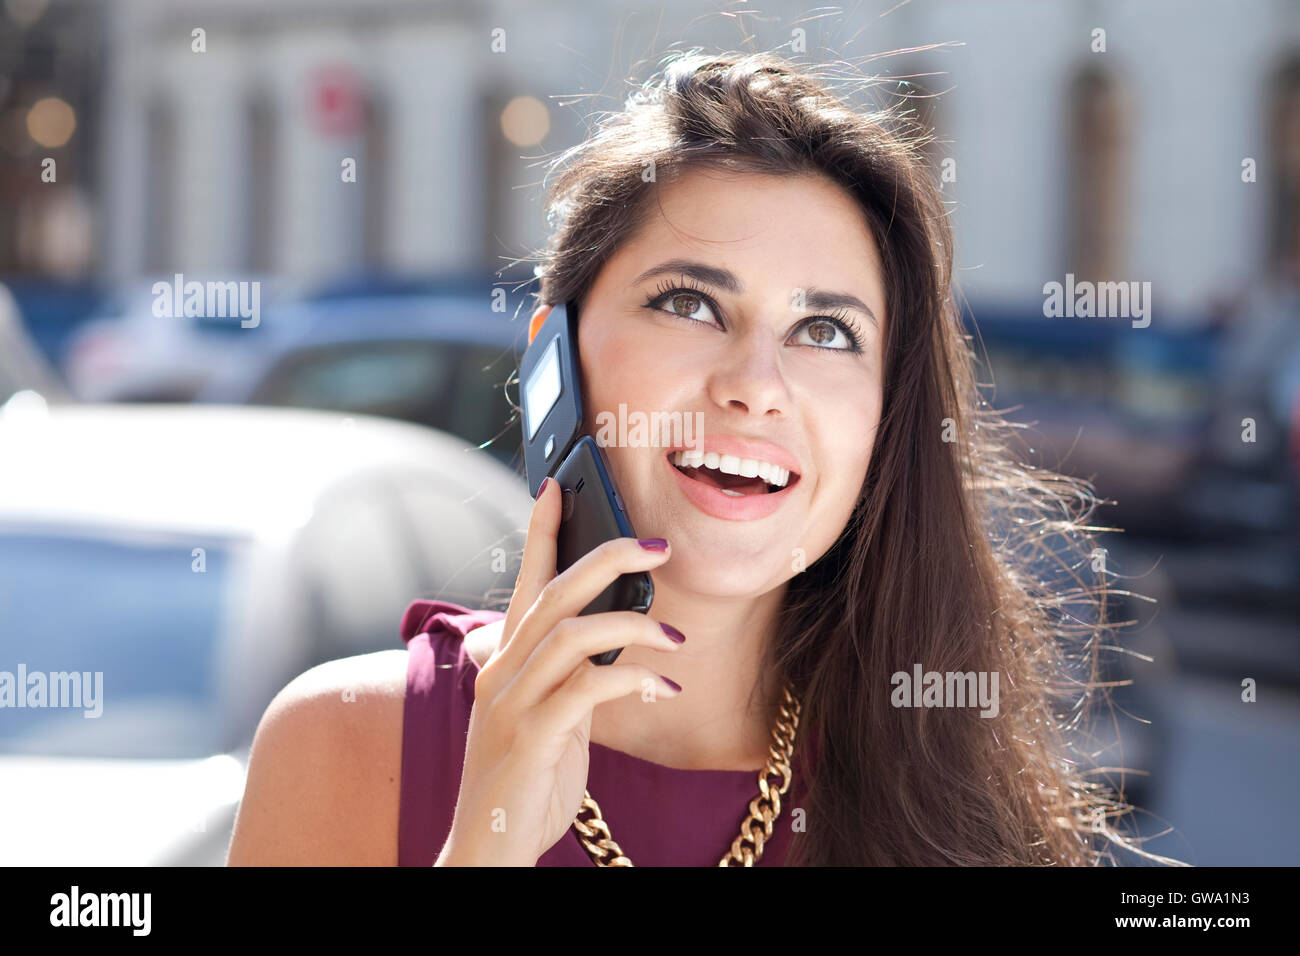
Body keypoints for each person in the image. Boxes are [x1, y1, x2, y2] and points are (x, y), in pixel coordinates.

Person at [228, 50, 1179, 867]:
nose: (756, 383)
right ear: (553, 359)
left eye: (826, 330)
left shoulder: (949, 787)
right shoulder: (348, 743)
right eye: (688, 303)